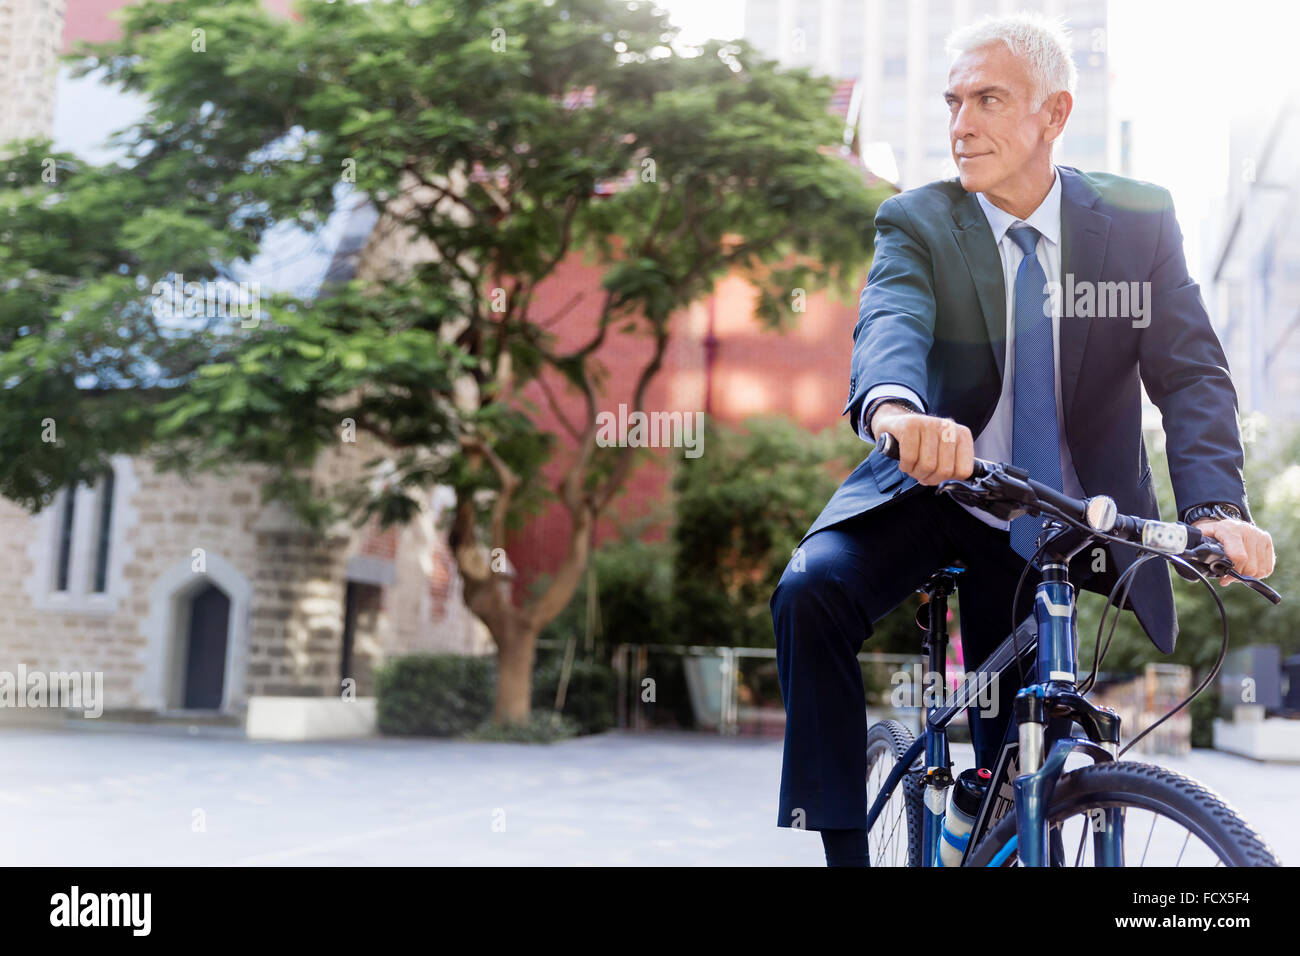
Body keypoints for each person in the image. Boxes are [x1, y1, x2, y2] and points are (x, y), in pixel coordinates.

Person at [769, 12, 1276, 868]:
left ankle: (991, 803)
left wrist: (1218, 509)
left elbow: (1189, 374)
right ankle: (842, 849)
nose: (961, 123)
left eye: (989, 99)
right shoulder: (920, 221)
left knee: (1019, 756)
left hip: (1060, 512)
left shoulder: (1138, 221)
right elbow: (889, 325)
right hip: (937, 492)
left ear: (1053, 114)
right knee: (808, 590)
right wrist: (897, 414)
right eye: (954, 101)